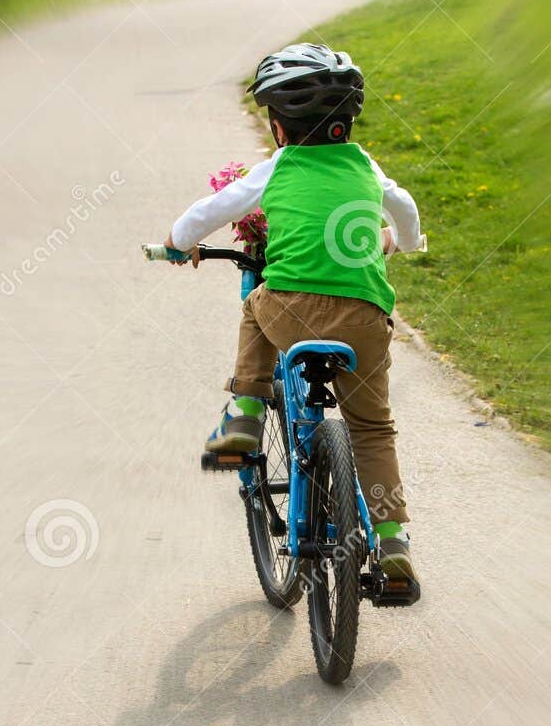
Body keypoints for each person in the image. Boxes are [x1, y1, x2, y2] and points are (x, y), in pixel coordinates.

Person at [165, 42, 425, 585]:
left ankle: (244, 415)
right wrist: (401, 240)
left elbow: (213, 210)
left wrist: (176, 240)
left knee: (255, 306)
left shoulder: (278, 167)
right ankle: (394, 545)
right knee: (374, 431)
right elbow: (402, 206)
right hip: (364, 319)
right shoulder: (364, 165)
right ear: (345, 123)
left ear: (280, 126)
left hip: (288, 310)